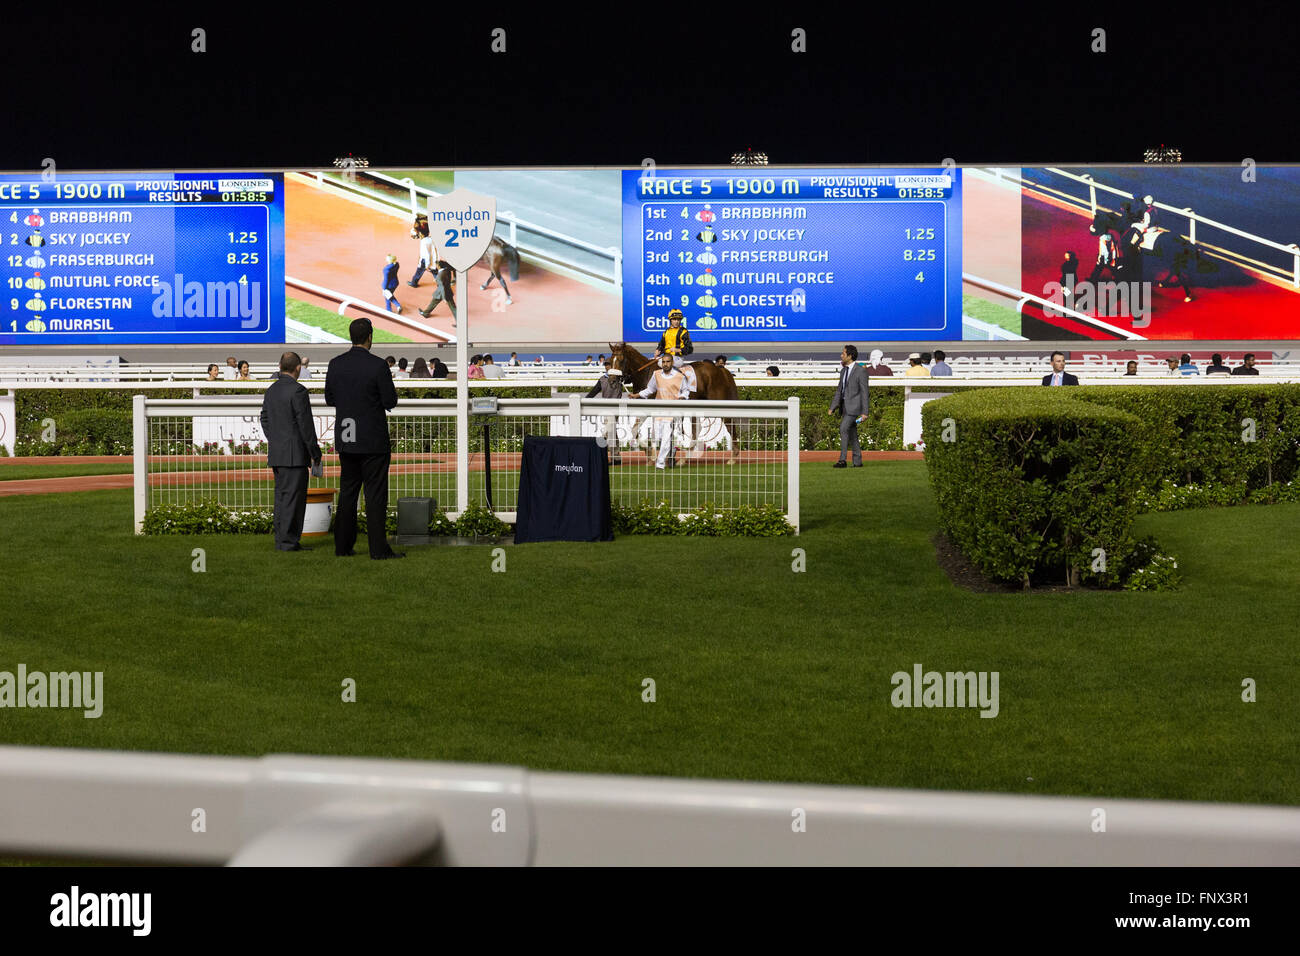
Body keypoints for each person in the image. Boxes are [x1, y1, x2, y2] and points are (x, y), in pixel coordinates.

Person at [324, 317, 403, 560]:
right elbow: (390, 401)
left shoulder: (336, 364)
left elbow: (330, 398)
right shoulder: (378, 366)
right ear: (369, 336)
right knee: (375, 496)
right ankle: (378, 549)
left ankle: (343, 547)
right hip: (372, 441)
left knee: (348, 494)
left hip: (347, 439)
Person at [260, 351, 322, 552]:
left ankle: (282, 539)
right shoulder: (298, 391)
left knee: (281, 498)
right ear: (298, 368)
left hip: (278, 453)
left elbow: (265, 419)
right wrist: (315, 452)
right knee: (293, 500)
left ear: (280, 367)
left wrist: (276, 439)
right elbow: (306, 425)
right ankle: (288, 541)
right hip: (294, 454)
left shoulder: (271, 391)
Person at [633, 352, 691, 469]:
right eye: (663, 362)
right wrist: (637, 395)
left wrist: (683, 396)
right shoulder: (656, 374)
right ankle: (669, 453)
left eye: (668, 362)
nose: (665, 364)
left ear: (672, 363)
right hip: (658, 410)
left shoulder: (680, 377)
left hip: (672, 411)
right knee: (657, 437)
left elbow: (686, 391)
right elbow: (650, 389)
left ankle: (660, 464)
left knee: (666, 437)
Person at [830, 345, 868, 468]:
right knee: (852, 434)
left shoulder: (861, 370)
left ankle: (842, 460)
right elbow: (839, 391)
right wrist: (833, 407)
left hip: (854, 408)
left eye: (843, 353)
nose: (841, 355)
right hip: (844, 408)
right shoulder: (843, 371)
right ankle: (857, 462)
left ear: (850, 356)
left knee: (843, 429)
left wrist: (865, 412)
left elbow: (864, 392)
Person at [586, 362, 625, 464]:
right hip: (606, 409)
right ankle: (616, 458)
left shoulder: (619, 378)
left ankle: (598, 453)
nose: (608, 368)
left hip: (616, 408)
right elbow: (594, 391)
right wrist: (585, 400)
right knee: (612, 433)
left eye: (610, 367)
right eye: (606, 367)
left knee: (607, 432)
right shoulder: (602, 379)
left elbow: (628, 377)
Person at [656, 308, 697, 391]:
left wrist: (678, 350)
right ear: (670, 320)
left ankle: (680, 387)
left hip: (677, 358)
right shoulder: (666, 332)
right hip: (665, 357)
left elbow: (689, 349)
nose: (676, 321)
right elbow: (661, 345)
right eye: (674, 319)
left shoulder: (683, 331)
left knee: (666, 364)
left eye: (678, 319)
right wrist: (657, 350)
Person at [407, 216, 438, 287]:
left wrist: (427, 264)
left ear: (421, 233)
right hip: (433, 259)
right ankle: (441, 284)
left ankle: (414, 283)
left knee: (419, 272)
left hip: (425, 261)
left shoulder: (424, 242)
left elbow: (426, 254)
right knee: (435, 271)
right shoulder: (430, 239)